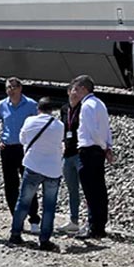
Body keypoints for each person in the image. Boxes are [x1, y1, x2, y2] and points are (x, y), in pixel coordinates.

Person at [7, 97, 64, 250]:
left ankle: (15, 235)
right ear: (52, 110)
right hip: (53, 169)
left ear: (38, 108)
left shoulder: (29, 121)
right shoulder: (59, 125)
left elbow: (22, 139)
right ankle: (44, 240)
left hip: (32, 166)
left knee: (23, 202)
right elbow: (60, 143)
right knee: (49, 207)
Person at [72, 74, 114, 239]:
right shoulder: (100, 103)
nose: (74, 92)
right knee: (100, 190)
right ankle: (100, 226)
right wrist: (107, 146)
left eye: (76, 88)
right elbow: (106, 127)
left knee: (91, 191)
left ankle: (93, 226)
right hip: (98, 151)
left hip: (89, 150)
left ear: (83, 89)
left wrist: (103, 146)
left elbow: (93, 130)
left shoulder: (87, 106)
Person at [0, 77, 40, 234]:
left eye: (14, 87)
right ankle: (16, 218)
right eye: (8, 87)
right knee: (10, 184)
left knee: (29, 183)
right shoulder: (1, 105)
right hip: (8, 149)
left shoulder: (31, 105)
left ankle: (34, 218)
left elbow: (40, 123)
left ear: (20, 88)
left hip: (25, 148)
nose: (11, 90)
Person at [60, 87, 83, 234]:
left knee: (87, 188)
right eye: (73, 90)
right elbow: (62, 128)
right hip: (67, 154)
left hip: (80, 153)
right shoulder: (64, 109)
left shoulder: (83, 109)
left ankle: (92, 220)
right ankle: (74, 220)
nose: (75, 94)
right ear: (68, 92)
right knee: (72, 189)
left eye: (78, 91)